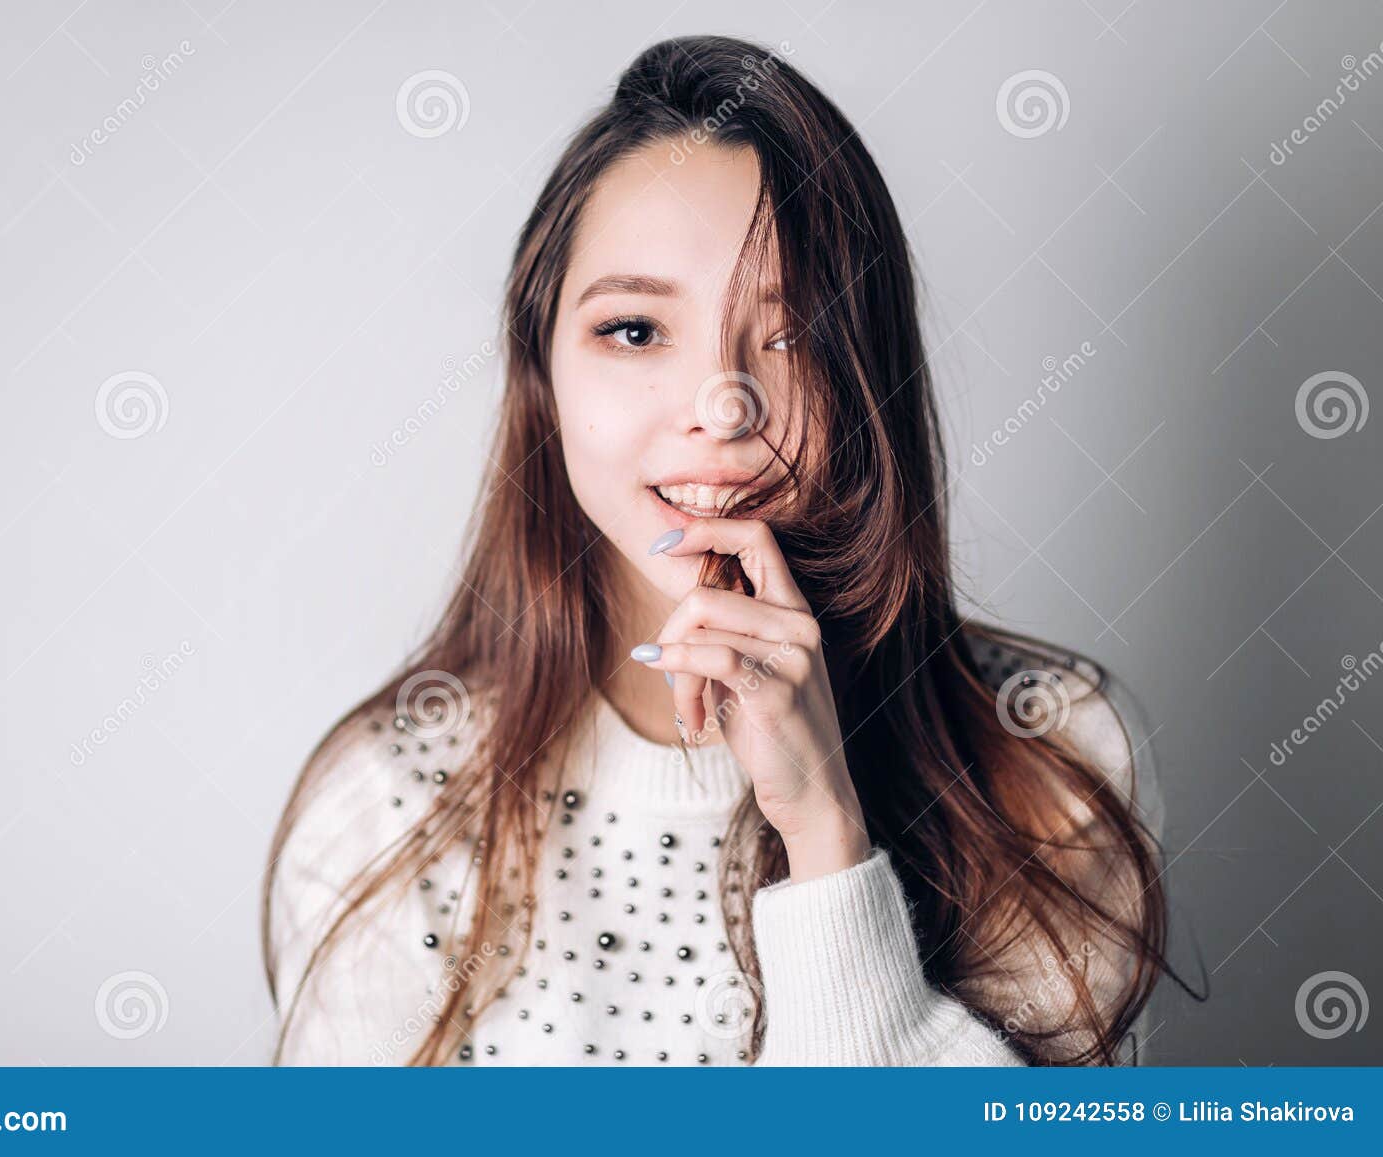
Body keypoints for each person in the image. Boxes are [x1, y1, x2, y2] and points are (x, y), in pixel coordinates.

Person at [262, 34, 1181, 1066]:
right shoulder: (388, 805)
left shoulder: (1045, 761)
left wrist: (825, 836)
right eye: (636, 331)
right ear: (543, 369)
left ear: (867, 376)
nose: (722, 403)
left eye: (792, 337)